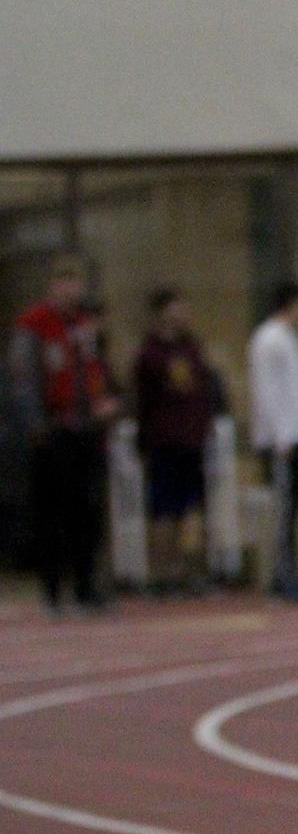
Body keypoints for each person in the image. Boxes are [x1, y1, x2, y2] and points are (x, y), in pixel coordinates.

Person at [8, 255, 116, 614]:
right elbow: (23, 378)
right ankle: (53, 589)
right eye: (65, 282)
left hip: (86, 429)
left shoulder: (84, 325)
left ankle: (86, 587)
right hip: (53, 430)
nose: (72, 289)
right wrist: (36, 426)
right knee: (52, 513)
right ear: (53, 285)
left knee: (87, 511)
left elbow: (95, 370)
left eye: (77, 282)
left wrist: (104, 404)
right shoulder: (34, 325)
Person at [132, 287, 220, 594]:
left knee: (193, 508)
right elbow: (143, 400)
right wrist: (144, 440)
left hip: (192, 439)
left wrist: (204, 425)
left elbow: (204, 389)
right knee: (163, 509)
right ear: (162, 312)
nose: (183, 313)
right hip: (164, 440)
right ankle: (161, 573)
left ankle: (190, 570)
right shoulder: (150, 353)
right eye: (176, 307)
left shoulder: (192, 348)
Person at [250, 281, 298, 602]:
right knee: (284, 510)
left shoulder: (290, 339)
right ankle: (281, 573)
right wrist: (280, 436)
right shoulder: (270, 338)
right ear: (292, 303)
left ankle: (287, 571)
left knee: (293, 511)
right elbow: (266, 391)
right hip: (283, 441)